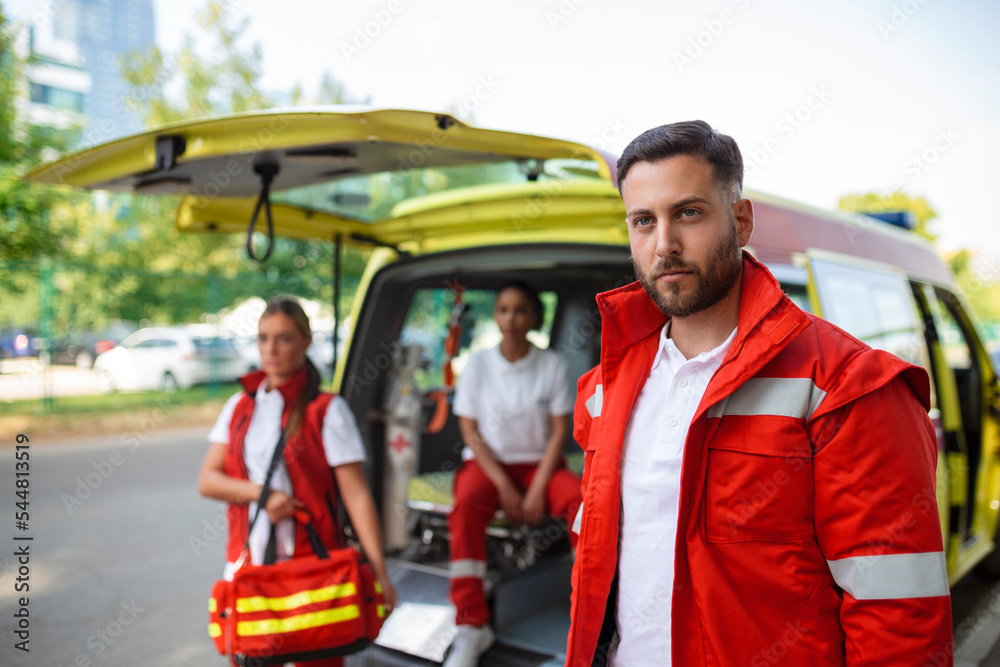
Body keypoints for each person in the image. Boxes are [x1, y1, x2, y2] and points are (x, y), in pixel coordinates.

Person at [565, 121, 953, 666]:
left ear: (741, 221)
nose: (665, 244)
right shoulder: (608, 384)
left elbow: (896, 611)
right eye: (644, 221)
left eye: (689, 213)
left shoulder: (847, 384)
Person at [198, 297, 396, 667]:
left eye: (284, 338)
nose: (271, 349)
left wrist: (379, 569)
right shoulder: (239, 406)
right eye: (263, 338)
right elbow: (208, 481)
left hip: (313, 568)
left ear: (306, 341)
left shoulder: (326, 410)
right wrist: (262, 495)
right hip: (249, 565)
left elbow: (356, 495)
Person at [443, 282, 581, 667]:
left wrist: (537, 488)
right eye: (503, 309)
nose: (511, 318)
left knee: (582, 503)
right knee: (466, 503)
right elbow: (470, 431)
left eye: (520, 310)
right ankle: (471, 624)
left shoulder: (551, 363)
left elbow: (558, 432)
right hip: (489, 465)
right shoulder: (478, 364)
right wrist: (503, 484)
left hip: (540, 465)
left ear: (535, 318)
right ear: (496, 315)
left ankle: (589, 610)